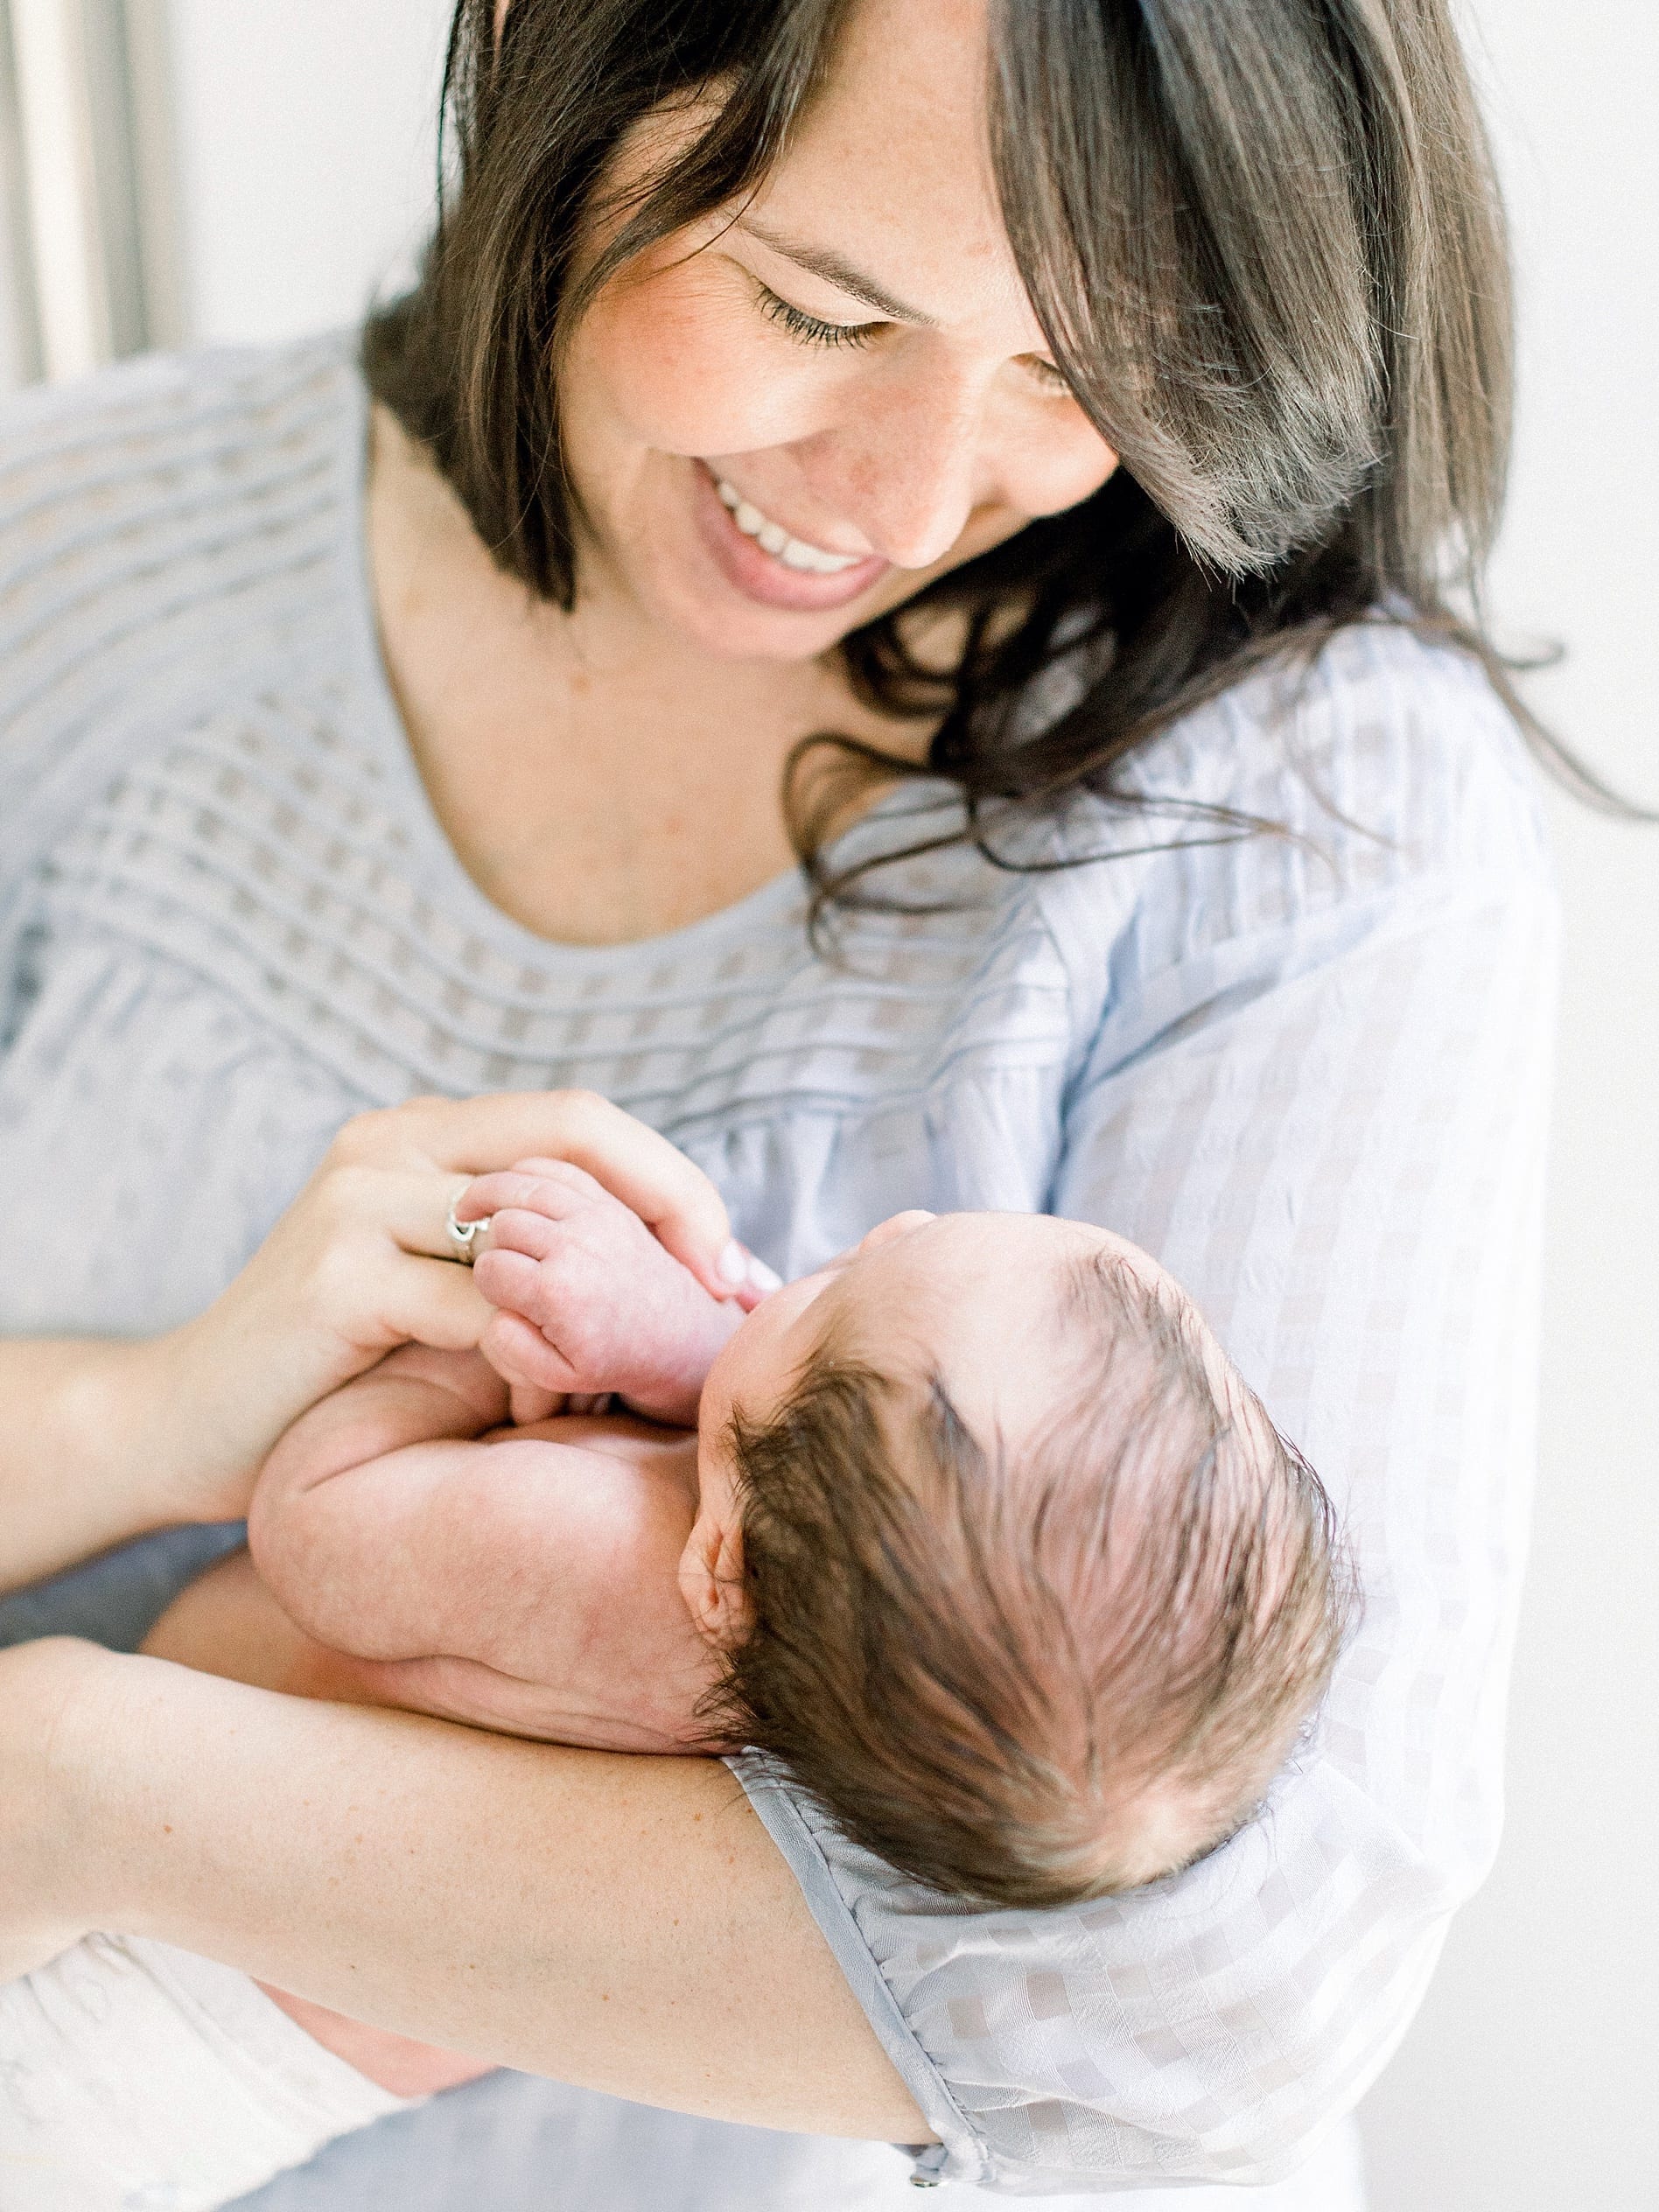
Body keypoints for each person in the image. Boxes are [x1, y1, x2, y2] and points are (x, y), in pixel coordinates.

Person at [0, 0, 1557, 2205]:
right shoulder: (66, 568)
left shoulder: (1305, 810)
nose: (908, 500)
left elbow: (1201, 1984)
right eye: (820, 305)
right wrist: (155, 1413)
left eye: (1080, 370)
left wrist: (72, 1779)